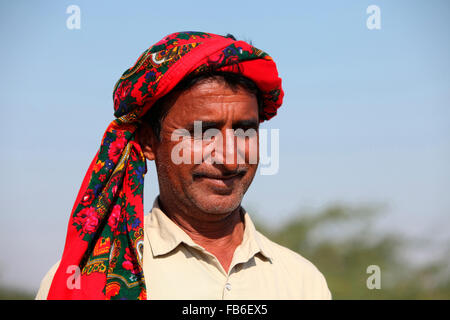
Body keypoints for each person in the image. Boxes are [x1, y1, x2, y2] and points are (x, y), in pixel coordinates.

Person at [36, 31, 331, 300]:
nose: (229, 159)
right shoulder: (82, 282)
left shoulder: (302, 283)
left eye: (245, 131)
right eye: (203, 133)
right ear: (149, 142)